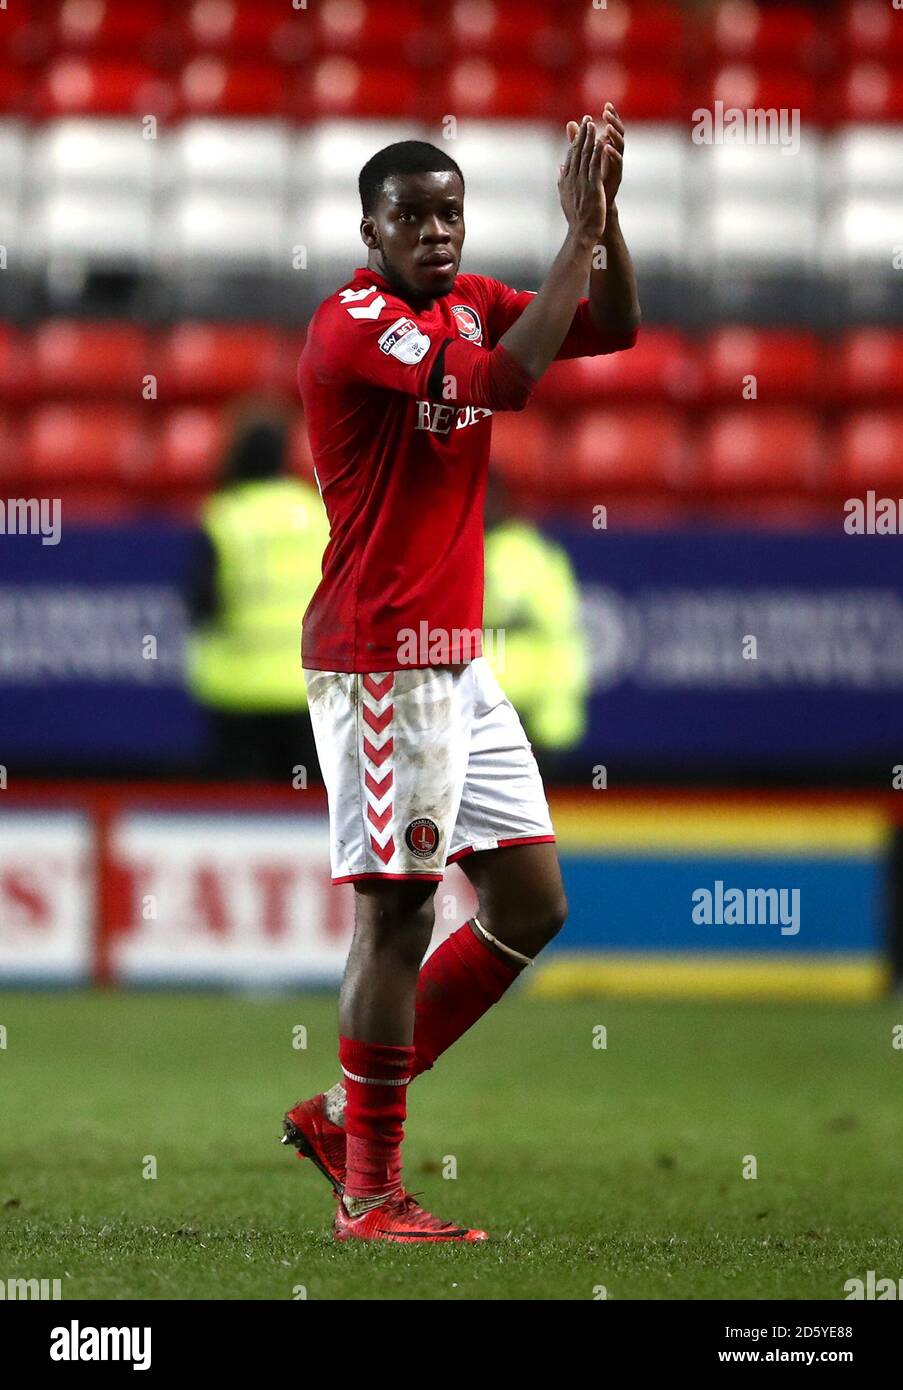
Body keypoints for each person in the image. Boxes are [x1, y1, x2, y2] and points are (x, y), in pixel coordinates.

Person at [284, 108, 640, 1242]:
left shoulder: (469, 296)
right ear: (368, 229)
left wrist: (605, 227)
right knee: (396, 918)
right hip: (383, 657)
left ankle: (346, 1113)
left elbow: (614, 331)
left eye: (451, 215)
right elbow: (508, 384)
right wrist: (572, 239)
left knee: (533, 904)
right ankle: (371, 1192)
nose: (437, 234)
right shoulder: (354, 325)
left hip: (457, 664)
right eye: (414, 218)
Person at [185, 408, 327, 783]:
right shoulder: (314, 511)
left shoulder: (224, 517)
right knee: (311, 812)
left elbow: (200, 604)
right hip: (309, 688)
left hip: (238, 691)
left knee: (241, 815)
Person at [482, 474, 591, 774]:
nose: (482, 504)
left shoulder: (531, 552)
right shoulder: (440, 547)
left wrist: (555, 716)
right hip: (461, 707)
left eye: (488, 494)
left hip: (524, 710)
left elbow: (561, 630)